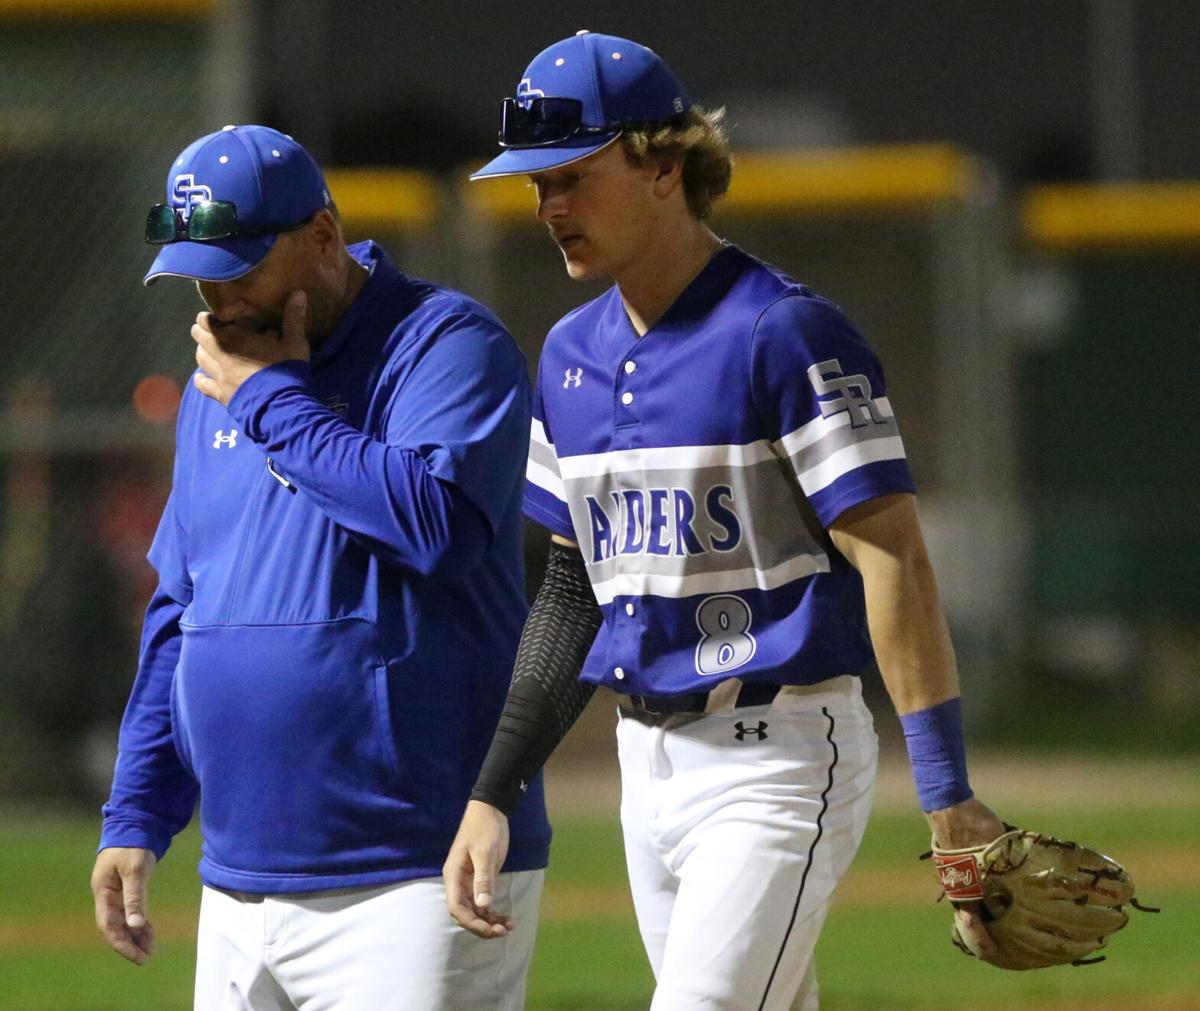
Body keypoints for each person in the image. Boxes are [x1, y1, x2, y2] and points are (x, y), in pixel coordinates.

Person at [444, 32, 1007, 1010]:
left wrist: (947, 794)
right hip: (643, 766)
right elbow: (575, 589)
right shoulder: (569, 356)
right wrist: (495, 788)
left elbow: (894, 562)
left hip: (778, 760)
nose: (550, 209)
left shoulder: (782, 333)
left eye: (572, 176)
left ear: (665, 166)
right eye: (537, 186)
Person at [91, 124, 550, 1010]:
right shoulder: (216, 385)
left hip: (418, 869)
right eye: (200, 273)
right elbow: (182, 609)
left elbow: (436, 524)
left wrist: (274, 402)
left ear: (325, 237)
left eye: (242, 268)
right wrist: (138, 809)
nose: (219, 299)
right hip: (238, 876)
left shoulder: (444, 345)